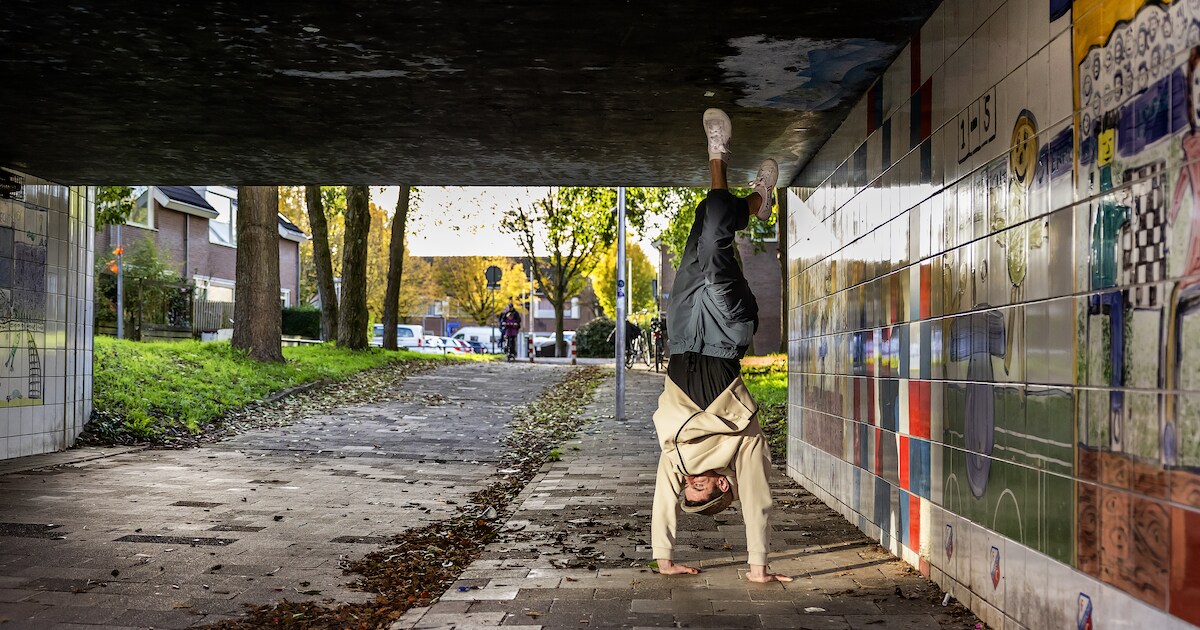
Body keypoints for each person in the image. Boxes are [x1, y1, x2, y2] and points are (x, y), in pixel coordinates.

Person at [651, 108, 791, 583]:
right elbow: (758, 501)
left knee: (702, 231)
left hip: (683, 333)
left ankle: (755, 202)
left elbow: (660, 503)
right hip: (728, 334)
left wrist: (663, 558)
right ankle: (720, 155)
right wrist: (757, 568)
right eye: (703, 490)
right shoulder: (740, 447)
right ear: (721, 485)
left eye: (688, 492)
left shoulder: (677, 455)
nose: (692, 486)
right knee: (713, 234)